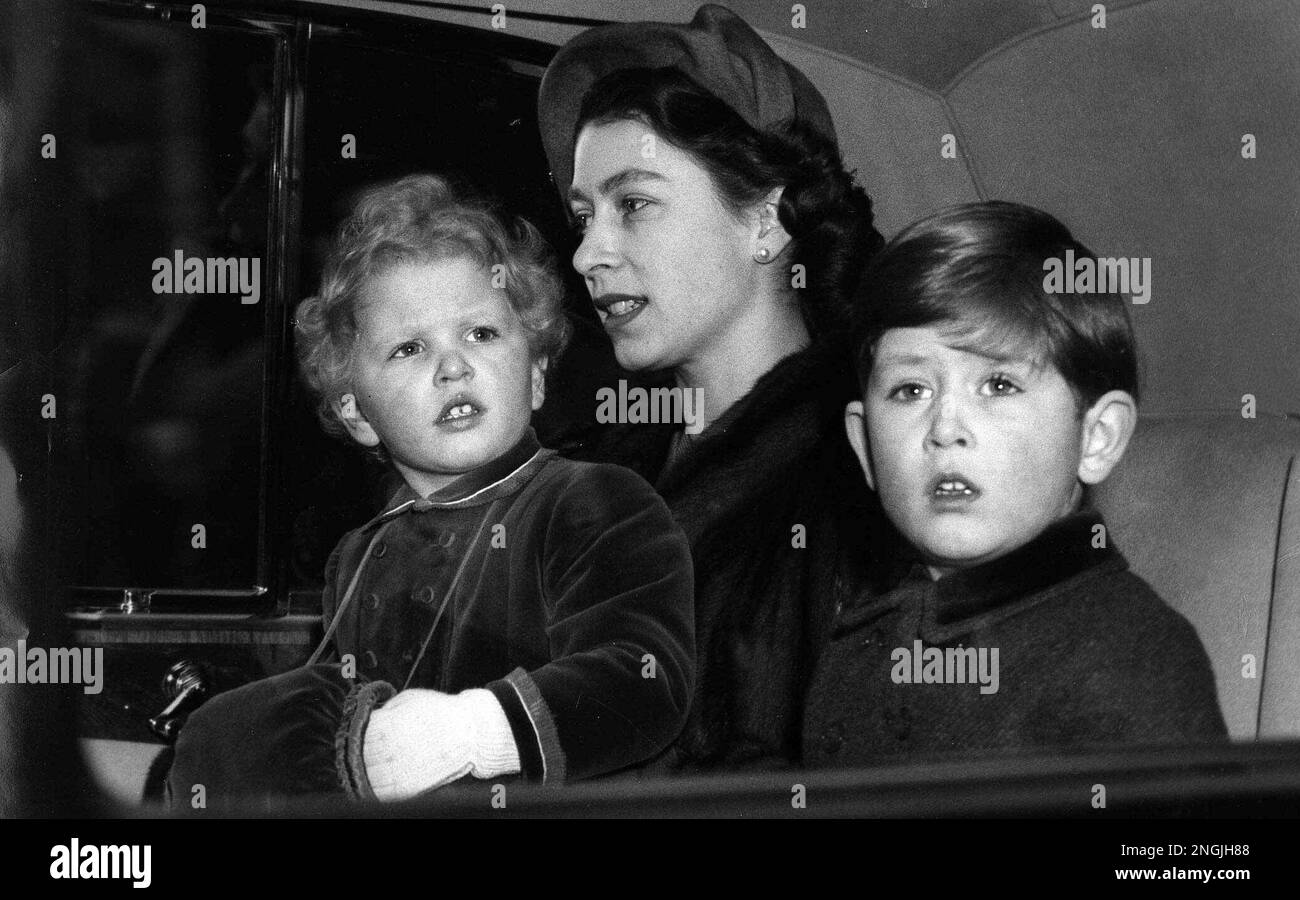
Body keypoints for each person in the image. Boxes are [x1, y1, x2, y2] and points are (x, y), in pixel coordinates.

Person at [167, 175, 694, 804]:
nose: (453, 365)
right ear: (357, 412)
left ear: (536, 376)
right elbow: (330, 719)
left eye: (481, 334)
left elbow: (642, 680)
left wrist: (463, 735)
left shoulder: (594, 503)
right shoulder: (359, 556)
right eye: (410, 348)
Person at [537, 4, 892, 772]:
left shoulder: (866, 484)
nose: (588, 255)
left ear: (765, 221)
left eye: (633, 204)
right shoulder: (602, 469)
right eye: (583, 217)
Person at [803, 201, 1227, 765]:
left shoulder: (1130, 658)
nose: (945, 429)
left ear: (1096, 438)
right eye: (911, 390)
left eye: (999, 384)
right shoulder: (858, 635)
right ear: (864, 448)